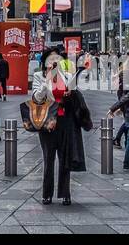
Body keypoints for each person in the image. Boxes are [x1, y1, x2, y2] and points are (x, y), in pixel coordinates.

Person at [34, 49, 90, 205]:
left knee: (65, 159)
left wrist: (69, 95)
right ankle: (47, 194)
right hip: (47, 122)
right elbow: (37, 97)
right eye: (51, 58)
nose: (54, 61)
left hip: (65, 122)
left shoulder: (67, 76)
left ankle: (65, 193)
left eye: (57, 58)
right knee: (49, 159)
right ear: (45, 62)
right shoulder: (39, 77)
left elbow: (74, 94)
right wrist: (48, 80)